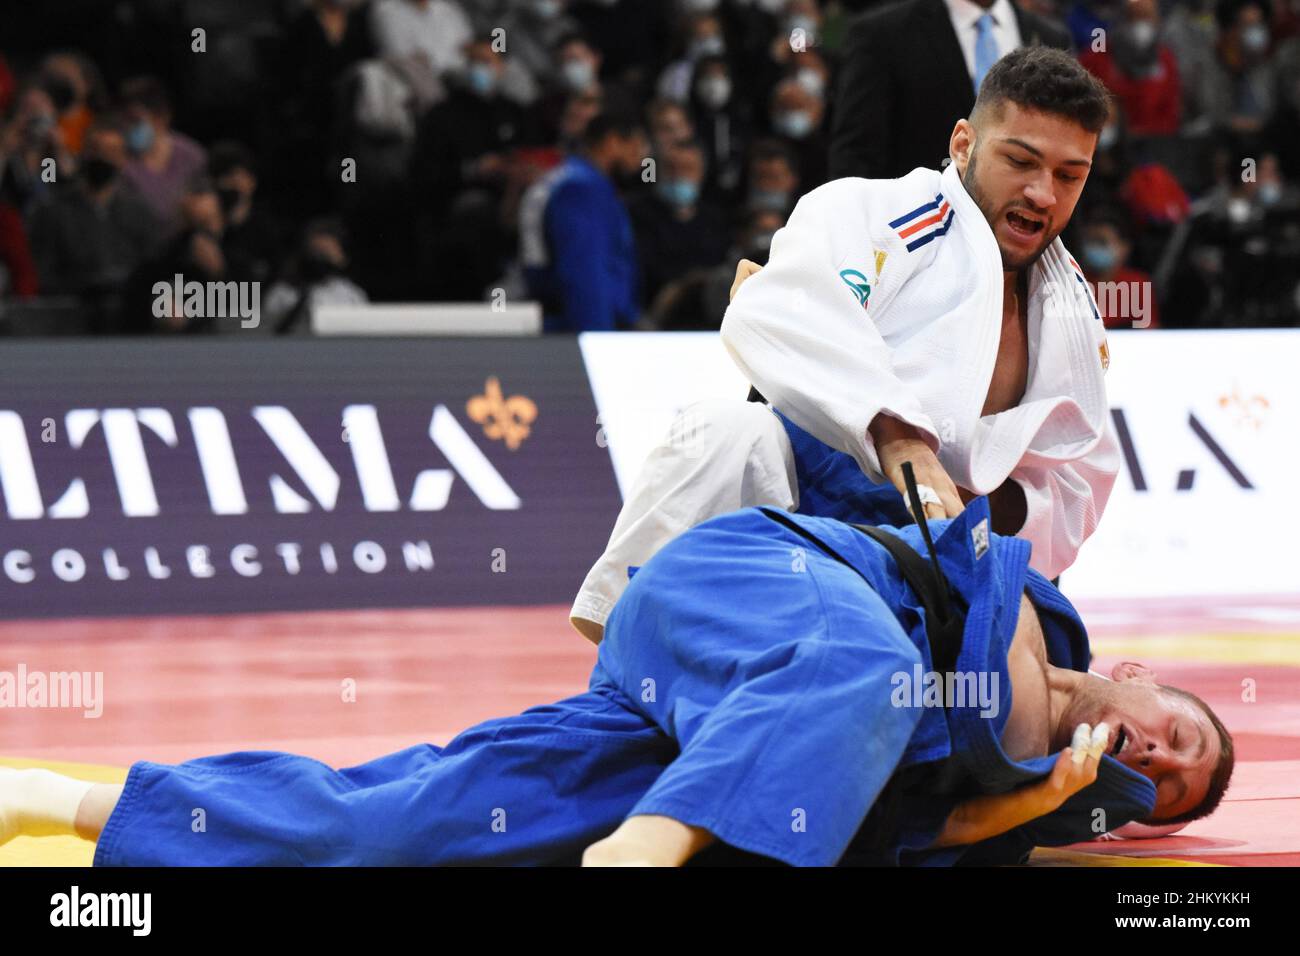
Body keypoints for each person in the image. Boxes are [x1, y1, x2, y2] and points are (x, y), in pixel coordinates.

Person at [0, 496, 1232, 866]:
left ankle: (55, 796)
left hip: (700, 727)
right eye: (1179, 731)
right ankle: (641, 858)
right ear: (1133, 676)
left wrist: (1033, 804)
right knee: (864, 667)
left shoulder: (1033, 785)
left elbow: (899, 830)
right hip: (752, 598)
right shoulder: (1024, 608)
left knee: (409, 825)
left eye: (1171, 789)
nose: (1164, 760)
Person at [570, 47, 1118, 642]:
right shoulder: (874, 213)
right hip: (808, 510)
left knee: (1051, 661)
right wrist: (899, 438)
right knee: (724, 435)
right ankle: (630, 655)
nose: (1043, 193)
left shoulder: (1073, 312)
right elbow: (768, 311)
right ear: (964, 144)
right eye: (1021, 161)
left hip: (946, 558)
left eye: (1069, 175)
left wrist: (961, 510)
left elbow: (1077, 487)